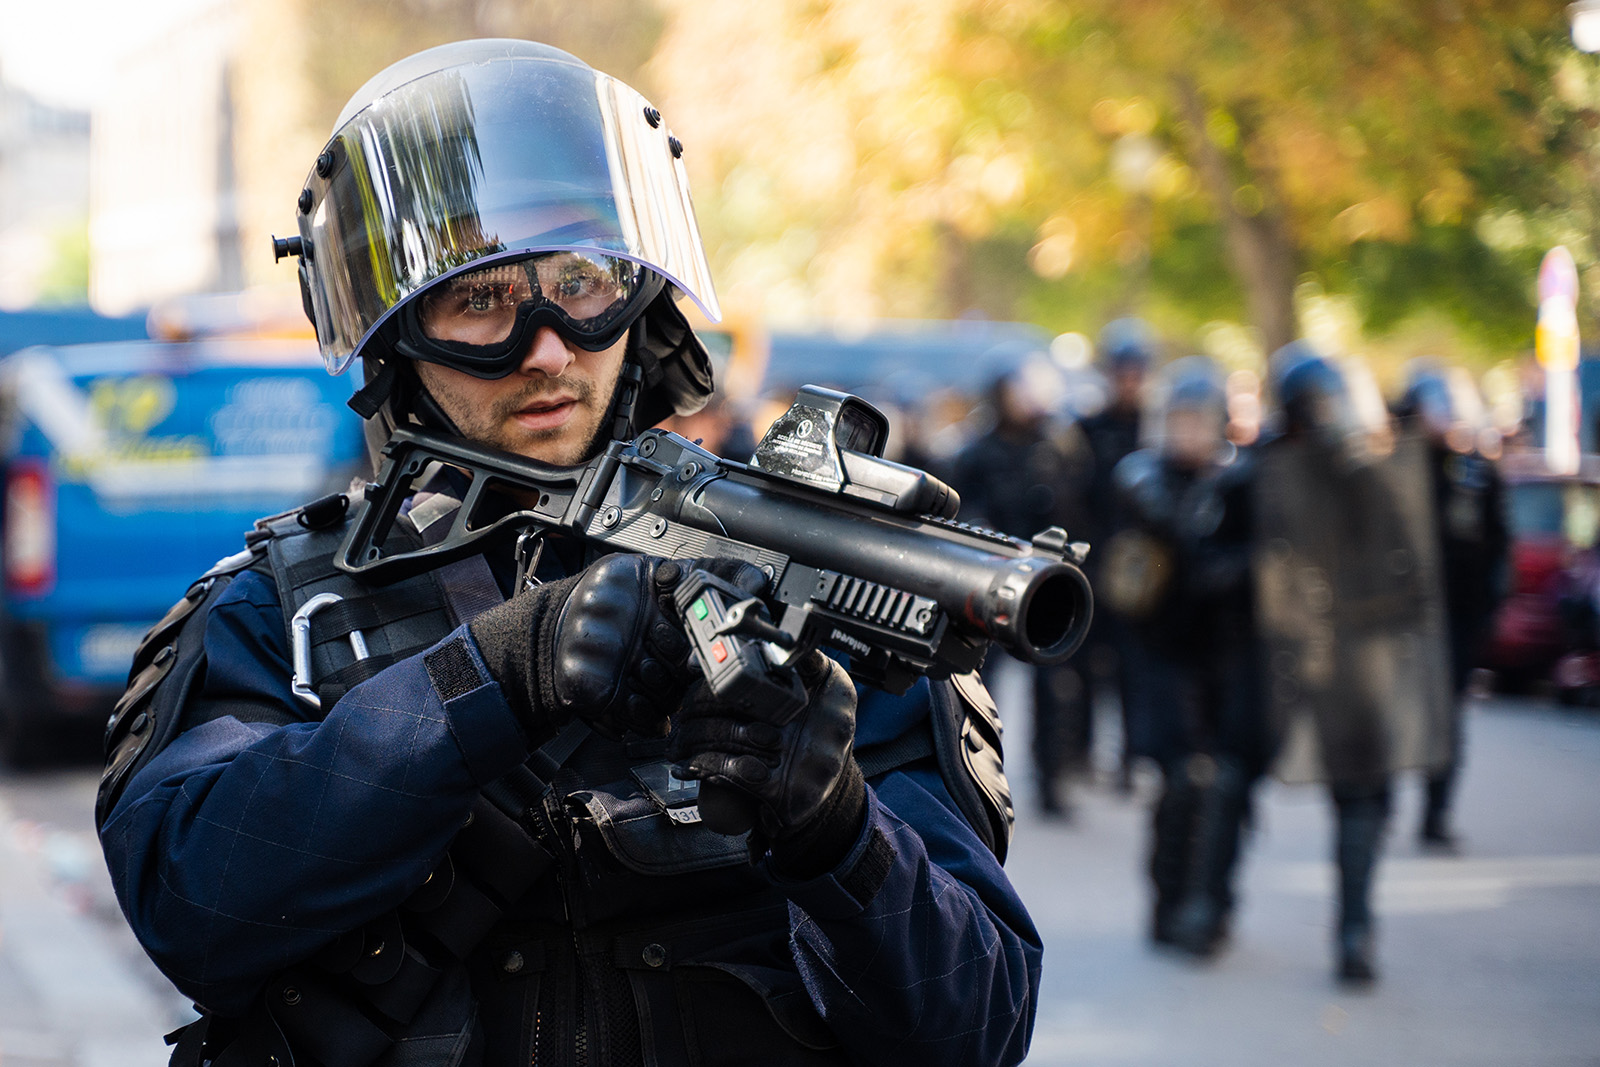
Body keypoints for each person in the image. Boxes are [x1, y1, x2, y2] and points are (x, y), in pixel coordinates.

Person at [96, 41, 1040, 1067]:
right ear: (397, 338)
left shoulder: (814, 592)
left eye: (582, 283)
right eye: (481, 300)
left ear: (640, 297)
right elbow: (190, 903)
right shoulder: (281, 614)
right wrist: (490, 675)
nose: (547, 346)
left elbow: (976, 1027)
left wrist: (837, 832)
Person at [1255, 346, 1450, 985]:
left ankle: (1355, 929)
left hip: (1347, 662)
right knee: (1219, 774)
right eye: (1321, 407)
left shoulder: (1367, 478)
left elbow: (1409, 570)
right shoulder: (1254, 476)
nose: (1333, 419)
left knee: (1364, 792)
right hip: (1263, 663)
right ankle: (1201, 905)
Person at [1104, 357, 1271, 954]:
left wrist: (1236, 569)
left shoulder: (1242, 482)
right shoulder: (1143, 480)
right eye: (1178, 420)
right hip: (1164, 655)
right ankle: (1169, 900)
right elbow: (1136, 567)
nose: (1188, 432)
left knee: (1226, 786)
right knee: (1180, 782)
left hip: (1229, 660)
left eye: (1199, 421)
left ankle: (1213, 905)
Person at [953, 362, 1090, 818]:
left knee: (1054, 689)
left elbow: (1078, 505)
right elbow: (959, 506)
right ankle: (969, 777)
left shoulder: (1055, 447)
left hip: (1044, 584)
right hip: (989, 581)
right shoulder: (976, 452)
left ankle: (1053, 780)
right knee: (976, 687)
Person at [1394, 362, 1509, 849]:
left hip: (1458, 616)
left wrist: (1488, 606)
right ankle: (1371, 809)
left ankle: (1435, 813)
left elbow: (1498, 541)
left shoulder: (1476, 473)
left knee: (1446, 718)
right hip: (1400, 616)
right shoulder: (1394, 468)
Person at [1077, 319, 1155, 792]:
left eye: (1135, 371)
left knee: (1133, 666)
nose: (1128, 381)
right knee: (1087, 666)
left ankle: (1130, 754)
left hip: (1139, 568)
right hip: (1094, 558)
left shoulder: (1156, 427)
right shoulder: (1087, 429)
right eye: (1120, 371)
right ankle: (1081, 750)